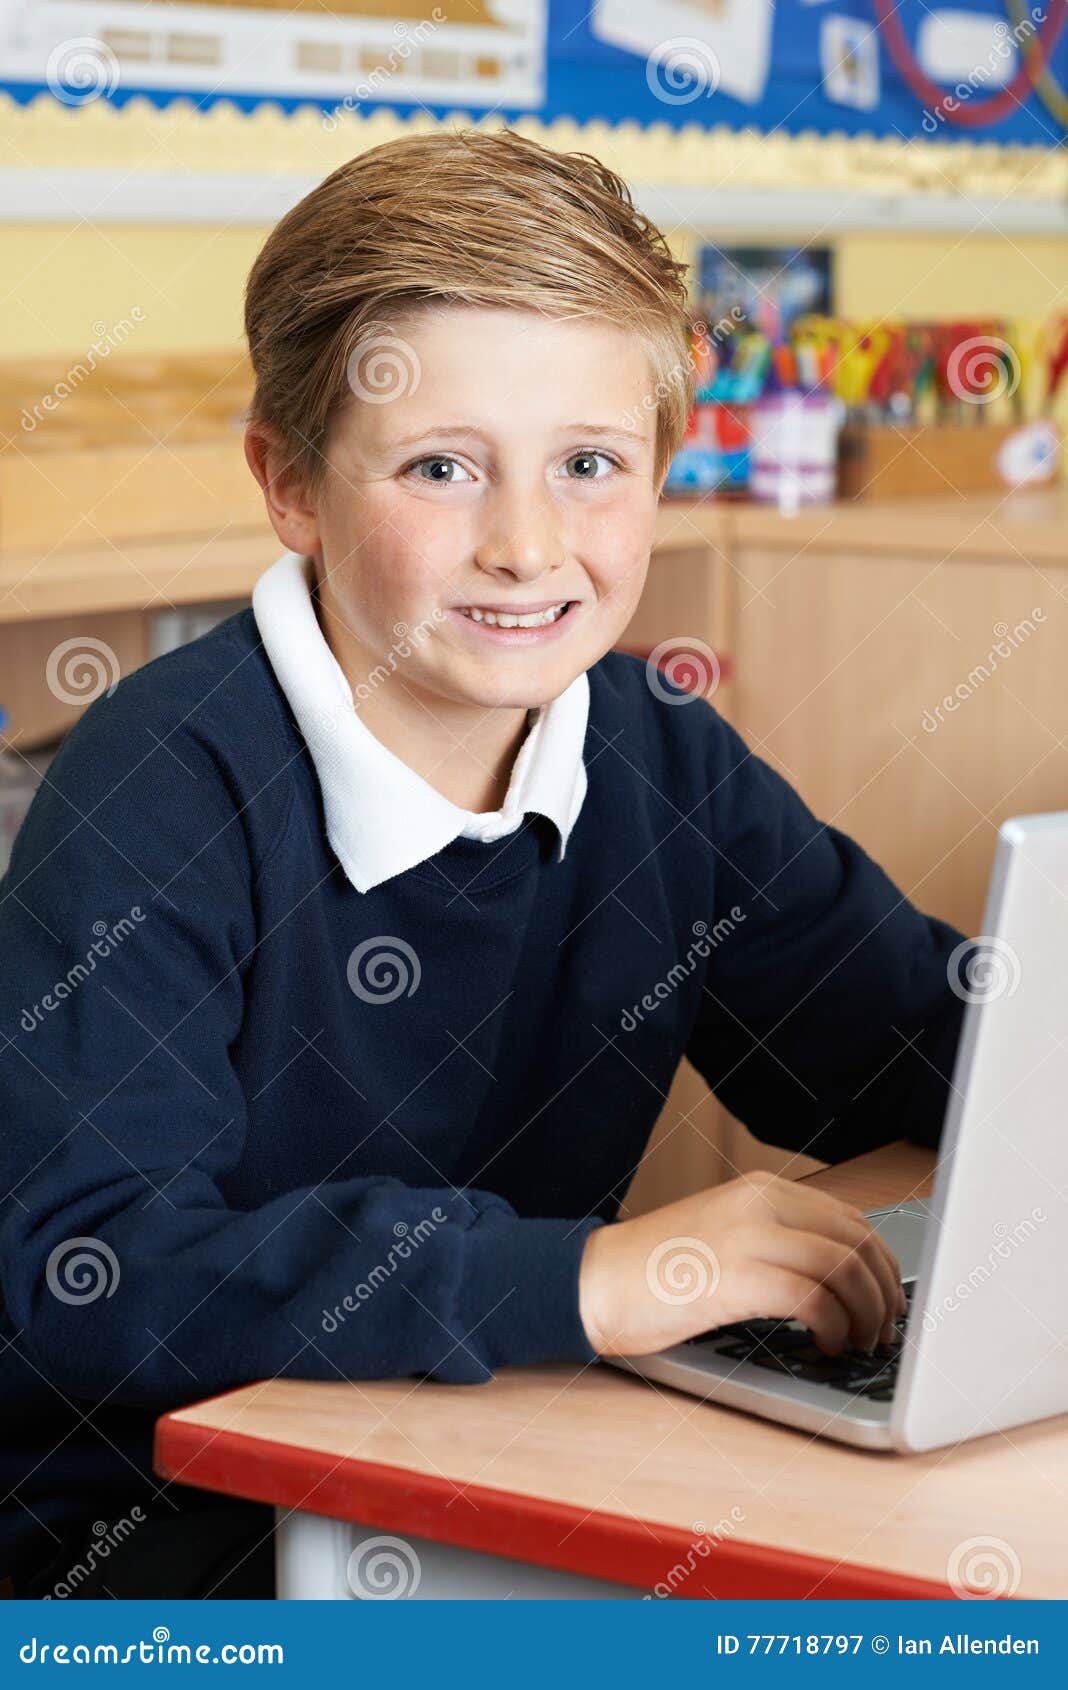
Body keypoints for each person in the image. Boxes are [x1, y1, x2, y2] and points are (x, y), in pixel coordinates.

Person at [0, 128, 967, 1599]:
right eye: (444, 466)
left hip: (478, 1451)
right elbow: (87, 1267)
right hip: (147, 1545)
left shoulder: (651, 748)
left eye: (590, 463)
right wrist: (581, 1277)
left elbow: (898, 1035)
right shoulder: (163, 782)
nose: (528, 545)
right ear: (292, 485)